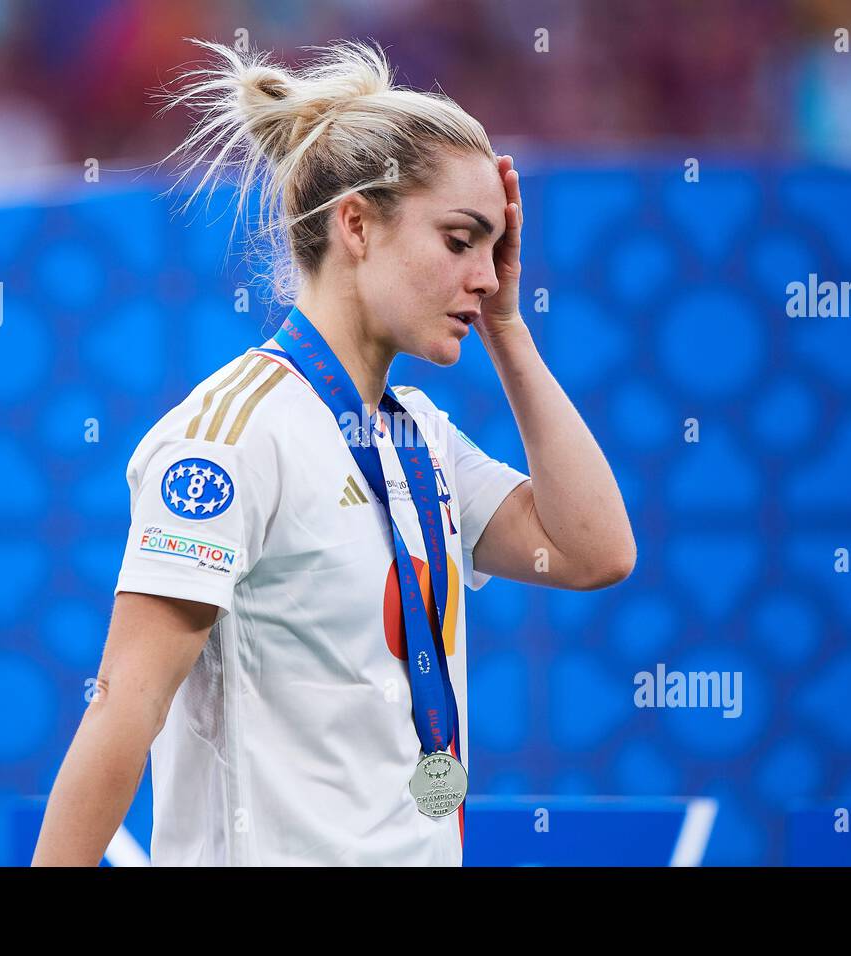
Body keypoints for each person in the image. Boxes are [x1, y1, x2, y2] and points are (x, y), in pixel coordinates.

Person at [33, 38, 635, 867]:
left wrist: (510, 333)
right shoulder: (230, 437)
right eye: (460, 240)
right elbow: (122, 711)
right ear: (355, 223)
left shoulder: (419, 434)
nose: (489, 277)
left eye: (496, 249)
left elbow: (593, 550)